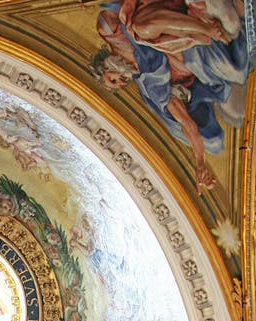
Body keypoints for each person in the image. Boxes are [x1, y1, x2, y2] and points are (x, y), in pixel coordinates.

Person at [92, 0, 250, 194]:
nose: (121, 82)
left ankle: (207, 27)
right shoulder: (151, 87)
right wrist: (199, 162)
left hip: (156, 13)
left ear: (105, 64)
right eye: (117, 84)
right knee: (235, 71)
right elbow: (188, 125)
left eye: (112, 79)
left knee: (143, 28)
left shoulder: (111, 33)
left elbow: (111, 13)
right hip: (189, 47)